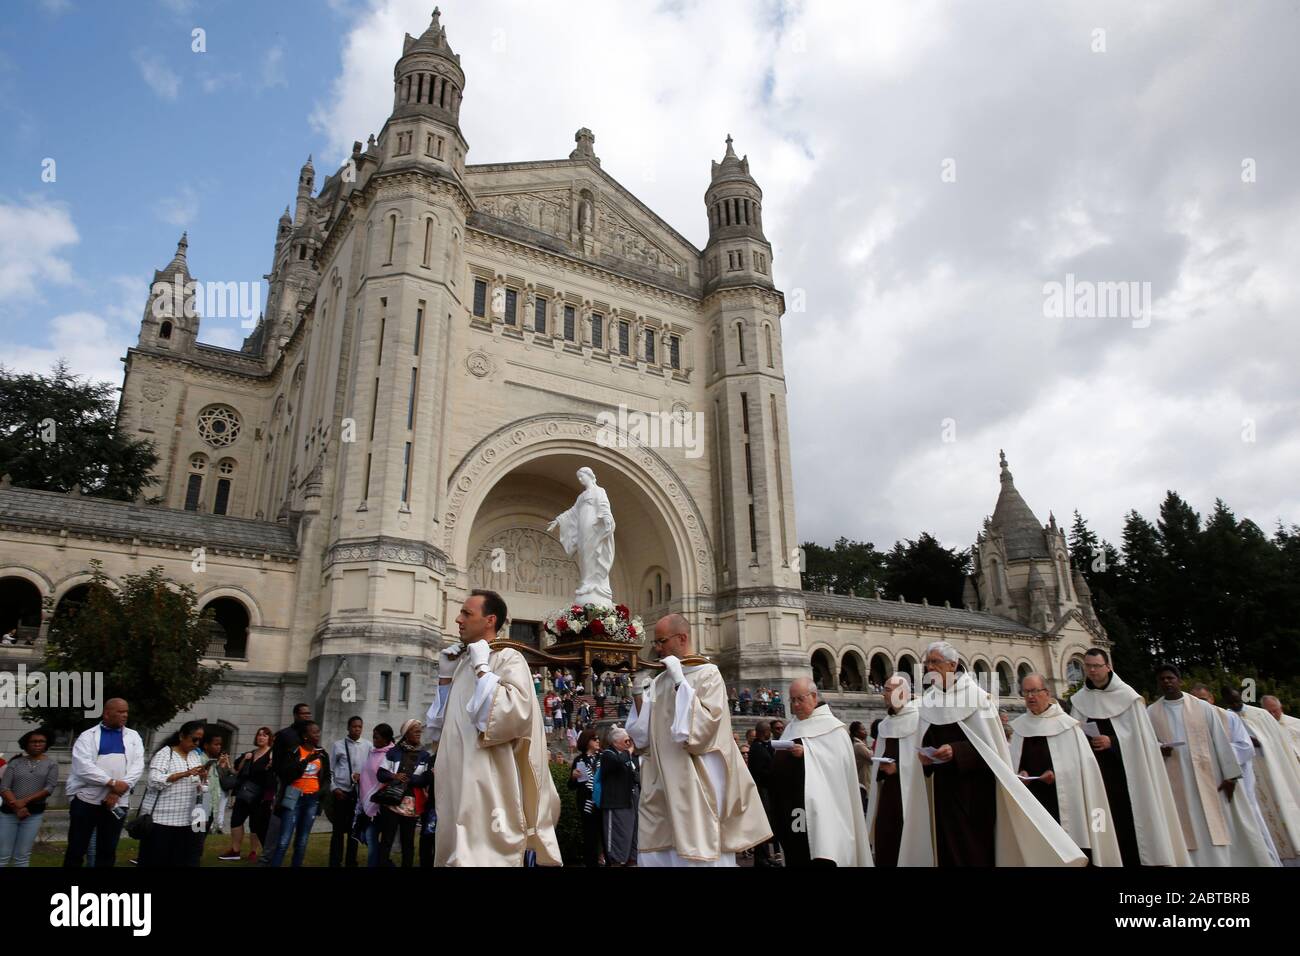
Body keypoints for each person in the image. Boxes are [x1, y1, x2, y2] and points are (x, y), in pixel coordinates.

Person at [915, 641, 1086, 866]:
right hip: (944, 791)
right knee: (946, 848)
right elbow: (925, 740)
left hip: (975, 792)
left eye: (935, 662)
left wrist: (956, 751)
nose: (929, 668)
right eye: (927, 663)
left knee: (975, 851)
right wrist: (926, 759)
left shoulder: (978, 698)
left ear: (952, 664)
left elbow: (992, 749)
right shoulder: (928, 702)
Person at [426, 589, 561, 866]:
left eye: (467, 613)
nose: (458, 619)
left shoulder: (508, 658)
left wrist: (482, 669)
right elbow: (441, 728)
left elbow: (513, 715)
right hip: (456, 783)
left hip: (488, 785)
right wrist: (444, 678)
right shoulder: (463, 663)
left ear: (490, 620)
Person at [627, 613, 771, 866]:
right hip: (661, 782)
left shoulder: (708, 674)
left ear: (682, 638)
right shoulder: (660, 680)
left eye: (661, 641)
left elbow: (703, 732)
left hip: (696, 780)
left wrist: (681, 682)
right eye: (655, 643)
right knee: (660, 847)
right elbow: (642, 737)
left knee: (698, 849)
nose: (657, 648)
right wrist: (639, 692)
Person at [1068, 648, 1190, 867]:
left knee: (1128, 822)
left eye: (1097, 666)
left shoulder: (1128, 697)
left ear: (1108, 667)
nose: (1092, 670)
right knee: (1101, 819)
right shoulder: (1079, 701)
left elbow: (1141, 741)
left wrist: (1112, 742)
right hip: (1096, 775)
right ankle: (1104, 859)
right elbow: (1073, 736)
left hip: (1127, 775)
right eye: (1088, 666)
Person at [1147, 665, 1275, 866]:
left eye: (1170, 678)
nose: (1167, 682)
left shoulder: (1202, 707)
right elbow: (1147, 744)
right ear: (1158, 683)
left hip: (1211, 779)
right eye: (1162, 679)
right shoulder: (1151, 712)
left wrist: (1231, 775)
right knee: (1189, 827)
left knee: (1221, 825)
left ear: (1179, 680)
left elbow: (1221, 741)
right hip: (1177, 782)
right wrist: (1158, 748)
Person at [1009, 673, 1122, 866]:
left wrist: (1055, 774)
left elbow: (1082, 768)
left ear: (1047, 692)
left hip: (1064, 801)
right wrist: (1020, 773)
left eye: (1035, 691)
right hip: (1033, 801)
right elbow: (1013, 763)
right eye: (1026, 692)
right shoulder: (1019, 728)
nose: (1030, 697)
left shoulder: (1068, 726)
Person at [768, 677, 872, 866]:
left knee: (821, 855)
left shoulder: (833, 729)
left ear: (814, 697)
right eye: (792, 700)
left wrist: (807, 753)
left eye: (800, 699)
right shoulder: (791, 728)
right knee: (796, 853)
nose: (796, 705)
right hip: (792, 809)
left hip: (823, 811)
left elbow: (837, 767)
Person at [63, 697, 146, 868]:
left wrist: (117, 791)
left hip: (117, 802)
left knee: (107, 849)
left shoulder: (134, 736)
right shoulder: (87, 737)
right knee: (76, 849)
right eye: (120, 712)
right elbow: (83, 767)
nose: (125, 715)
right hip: (87, 800)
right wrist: (111, 782)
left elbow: (138, 766)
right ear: (107, 713)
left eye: (126, 712)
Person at [1228, 688, 1300, 861]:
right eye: (1232, 701)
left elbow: (1277, 744)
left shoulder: (1260, 715)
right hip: (1251, 773)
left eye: (1276, 710)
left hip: (1272, 770)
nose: (1274, 713)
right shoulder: (1226, 717)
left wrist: (1260, 742)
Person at [865, 674, 924, 867]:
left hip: (911, 794)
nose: (884, 694)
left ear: (903, 693)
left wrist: (899, 769)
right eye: (884, 689)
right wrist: (882, 769)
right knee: (887, 841)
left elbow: (924, 758)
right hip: (888, 793)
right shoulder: (884, 725)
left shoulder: (920, 720)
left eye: (888, 690)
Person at [140, 721, 208, 867]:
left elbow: (198, 786)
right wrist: (185, 773)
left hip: (186, 820)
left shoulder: (194, 756)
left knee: (179, 860)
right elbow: (154, 781)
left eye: (200, 740)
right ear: (182, 736)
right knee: (156, 860)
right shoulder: (166, 753)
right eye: (194, 739)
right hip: (162, 819)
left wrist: (202, 779)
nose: (197, 743)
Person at [267, 720, 331, 867]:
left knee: (302, 841)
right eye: (314, 732)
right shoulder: (295, 751)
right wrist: (306, 761)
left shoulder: (322, 754)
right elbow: (287, 775)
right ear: (305, 736)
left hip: (312, 799)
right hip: (294, 797)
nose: (317, 735)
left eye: (318, 731)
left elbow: (327, 777)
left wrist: (321, 792)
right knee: (284, 840)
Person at [373, 718, 433, 867]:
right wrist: (394, 776)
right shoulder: (393, 753)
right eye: (415, 730)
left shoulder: (424, 756)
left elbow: (425, 779)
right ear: (406, 733)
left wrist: (407, 779)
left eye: (420, 729)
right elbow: (381, 774)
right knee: (386, 840)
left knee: (408, 843)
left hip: (411, 806)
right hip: (391, 803)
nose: (419, 732)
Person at [259, 701, 313, 864]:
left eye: (308, 714)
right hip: (287, 785)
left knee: (301, 829)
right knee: (278, 822)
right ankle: (267, 857)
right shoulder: (285, 735)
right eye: (304, 713)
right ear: (296, 715)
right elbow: (277, 763)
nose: (307, 716)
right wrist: (283, 779)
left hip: (307, 786)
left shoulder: (310, 734)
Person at [0, 728, 58, 867]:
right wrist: (16, 807)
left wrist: (24, 802)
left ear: (46, 744)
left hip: (33, 814)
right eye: (33, 741)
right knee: (2, 854)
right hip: (9, 813)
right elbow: (4, 787)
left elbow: (49, 788)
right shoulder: (15, 763)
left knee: (22, 855)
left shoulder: (51, 764)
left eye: (41, 741)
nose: (37, 744)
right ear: (26, 744)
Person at [219, 726, 274, 862]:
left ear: (269, 739)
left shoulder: (272, 755)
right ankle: (235, 850)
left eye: (265, 735)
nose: (261, 737)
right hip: (244, 794)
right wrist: (245, 759)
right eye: (259, 735)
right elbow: (236, 771)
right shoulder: (250, 753)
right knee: (236, 821)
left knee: (255, 825)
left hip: (260, 797)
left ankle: (254, 852)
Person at [329, 715, 371, 868]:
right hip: (341, 792)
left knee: (354, 830)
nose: (357, 729)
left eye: (360, 726)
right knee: (338, 831)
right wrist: (334, 788)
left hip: (358, 795)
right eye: (354, 726)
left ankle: (351, 861)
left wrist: (363, 777)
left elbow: (371, 769)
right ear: (348, 727)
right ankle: (335, 861)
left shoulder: (368, 746)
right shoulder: (338, 745)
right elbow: (330, 770)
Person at [192, 731, 235, 865]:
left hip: (210, 807)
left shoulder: (214, 762)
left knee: (200, 839)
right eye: (215, 744)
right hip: (200, 807)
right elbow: (197, 779)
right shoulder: (201, 760)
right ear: (206, 745)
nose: (218, 747)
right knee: (196, 838)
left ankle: (194, 859)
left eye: (220, 745)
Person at [599, 726, 639, 866]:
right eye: (627, 741)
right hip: (615, 804)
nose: (629, 744)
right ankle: (615, 860)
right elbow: (618, 762)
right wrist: (629, 752)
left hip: (630, 802)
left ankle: (631, 858)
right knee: (617, 841)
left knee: (630, 836)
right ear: (616, 742)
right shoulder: (608, 755)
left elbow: (635, 776)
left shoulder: (628, 757)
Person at [358, 723, 396, 868]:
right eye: (373, 736)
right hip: (369, 803)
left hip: (384, 805)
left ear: (386, 739)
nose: (373, 740)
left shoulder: (392, 754)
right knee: (370, 839)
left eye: (377, 737)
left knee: (374, 840)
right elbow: (368, 774)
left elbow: (387, 776)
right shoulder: (373, 752)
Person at [569, 727, 603, 866]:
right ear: (587, 741)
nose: (598, 741)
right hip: (587, 805)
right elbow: (571, 786)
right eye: (595, 739)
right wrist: (573, 777)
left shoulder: (603, 757)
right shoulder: (579, 760)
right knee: (590, 836)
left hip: (603, 802)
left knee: (605, 835)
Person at [1261, 695, 1300, 760]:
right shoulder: (1261, 728)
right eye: (1269, 712)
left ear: (1281, 708)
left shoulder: (1297, 723)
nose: (1272, 714)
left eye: (1275, 711)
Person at [848, 721, 872, 813]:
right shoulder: (859, 746)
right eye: (862, 729)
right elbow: (872, 757)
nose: (865, 732)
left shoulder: (860, 744)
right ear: (856, 733)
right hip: (863, 781)